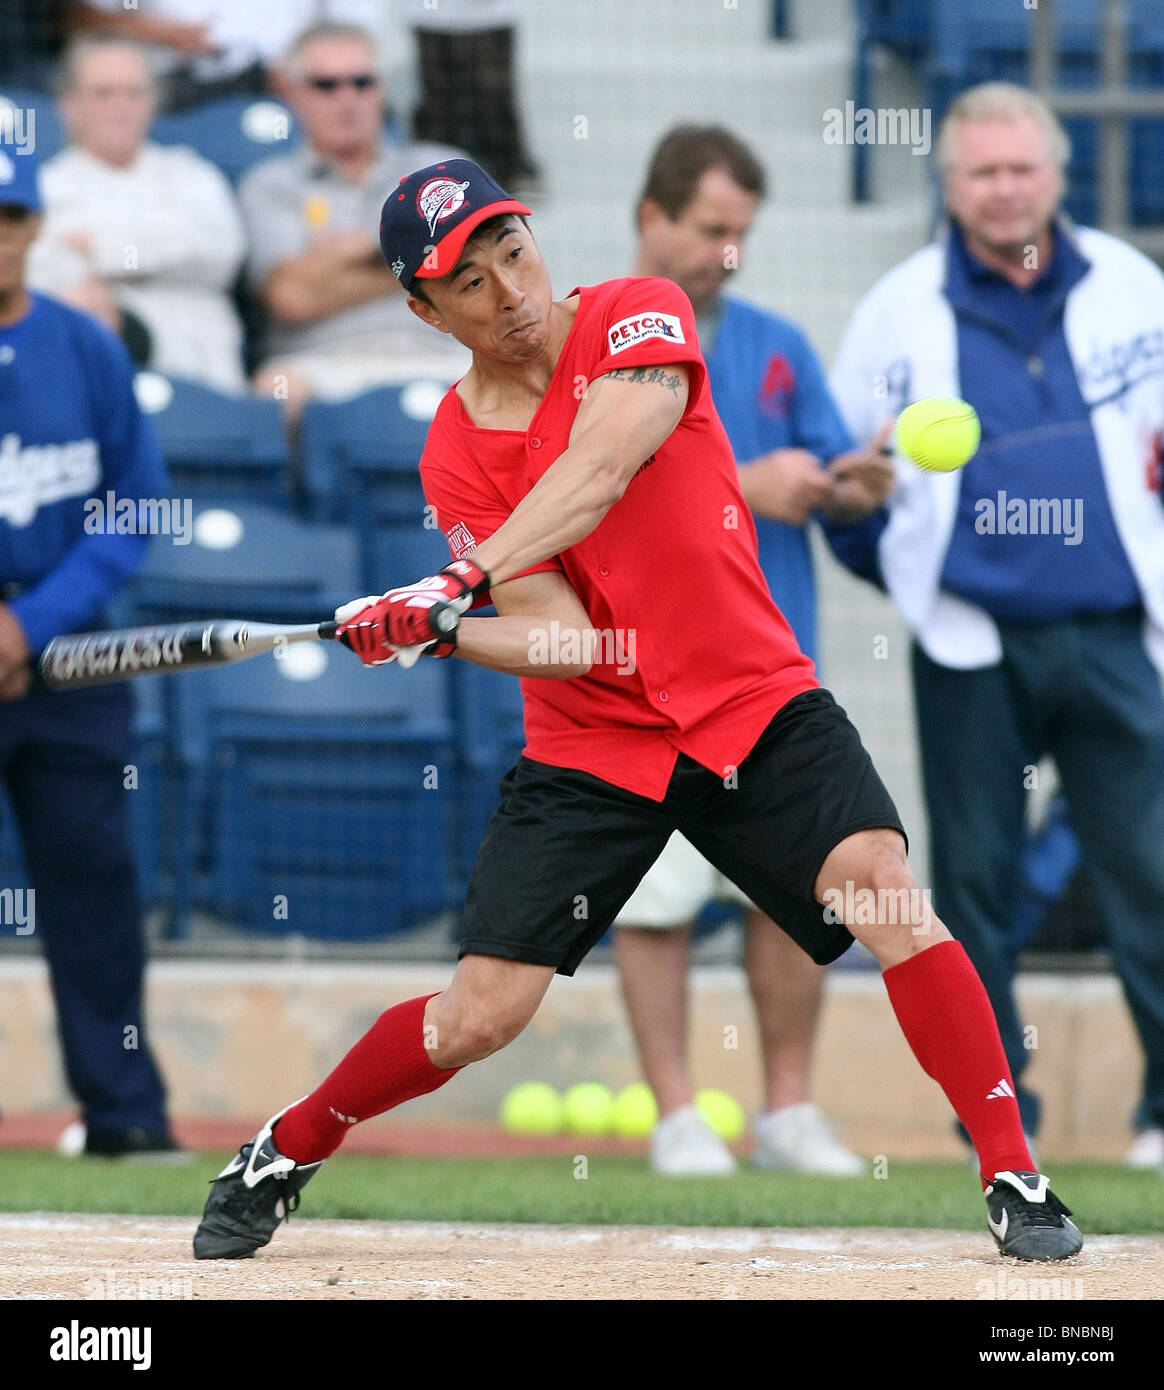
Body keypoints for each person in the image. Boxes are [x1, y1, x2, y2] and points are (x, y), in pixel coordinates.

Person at [193, 156, 1083, 1264]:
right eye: (468, 283)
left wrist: (452, 585)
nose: (508, 292)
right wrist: (440, 629)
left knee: (881, 884)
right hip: (596, 738)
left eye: (511, 251)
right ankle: (287, 1143)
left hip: (749, 693)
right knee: (480, 1016)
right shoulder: (455, 448)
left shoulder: (637, 315)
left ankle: (1011, 1170)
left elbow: (603, 465)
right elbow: (561, 638)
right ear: (424, 310)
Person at [828, 82, 1164, 1169]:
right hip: (973, 639)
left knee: (1150, 867)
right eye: (983, 171)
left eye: (1023, 168)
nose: (1006, 188)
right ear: (948, 181)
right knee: (973, 882)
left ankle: (1161, 1110)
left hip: (1118, 635)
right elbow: (848, 492)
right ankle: (997, 1123)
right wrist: (883, 543)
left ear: (1057, 175)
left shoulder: (1131, 285)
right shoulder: (895, 308)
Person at [614, 125, 895, 1177]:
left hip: (775, 676)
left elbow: (826, 477)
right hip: (649, 680)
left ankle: (786, 1112)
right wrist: (747, 482)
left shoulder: (777, 338)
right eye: (709, 228)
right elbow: (595, 490)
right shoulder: (597, 336)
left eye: (742, 233)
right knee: (659, 904)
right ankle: (677, 1116)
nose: (727, 252)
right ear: (652, 216)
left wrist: (853, 486)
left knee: (798, 895)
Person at [0, 136, 181, 1159]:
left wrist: (28, 623)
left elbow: (131, 506)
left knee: (96, 885)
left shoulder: (87, 346)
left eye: (9, 218)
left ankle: (124, 1113)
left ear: (31, 227)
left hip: (68, 658)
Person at [240, 21, 469, 419]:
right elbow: (293, 298)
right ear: (293, 94)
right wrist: (418, 257)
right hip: (323, 362)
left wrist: (361, 247)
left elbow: (472, 261)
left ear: (382, 89)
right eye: (326, 85)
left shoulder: (439, 166)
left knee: (529, 386)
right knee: (275, 391)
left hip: (443, 352)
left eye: (362, 82)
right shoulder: (269, 184)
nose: (347, 98)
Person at [26, 35, 248, 393]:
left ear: (152, 103)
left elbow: (220, 252)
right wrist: (160, 248)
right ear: (69, 105)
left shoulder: (191, 173)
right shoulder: (44, 187)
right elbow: (40, 277)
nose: (121, 106)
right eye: (103, 93)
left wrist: (98, 247)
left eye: (134, 93)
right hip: (90, 380)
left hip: (203, 370)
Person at [65, 0, 380, 110]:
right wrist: (158, 32)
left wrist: (306, 66)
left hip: (284, 85)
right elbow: (79, 17)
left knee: (342, 92)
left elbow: (358, 32)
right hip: (173, 87)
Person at [407, 0, 540, 193]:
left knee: (493, 101)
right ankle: (437, 182)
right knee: (440, 110)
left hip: (490, 17)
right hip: (432, 16)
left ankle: (510, 176)